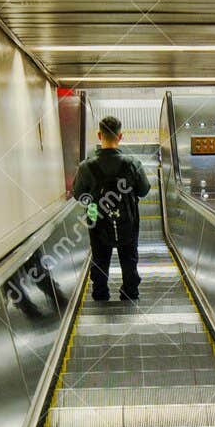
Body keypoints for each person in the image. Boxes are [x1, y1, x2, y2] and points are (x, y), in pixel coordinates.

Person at [73, 115, 151, 301]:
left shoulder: (86, 167)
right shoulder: (133, 164)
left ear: (100, 135)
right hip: (128, 220)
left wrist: (94, 201)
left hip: (96, 219)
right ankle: (130, 291)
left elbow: (78, 194)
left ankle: (100, 293)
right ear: (120, 136)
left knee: (99, 257)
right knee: (129, 256)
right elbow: (143, 191)